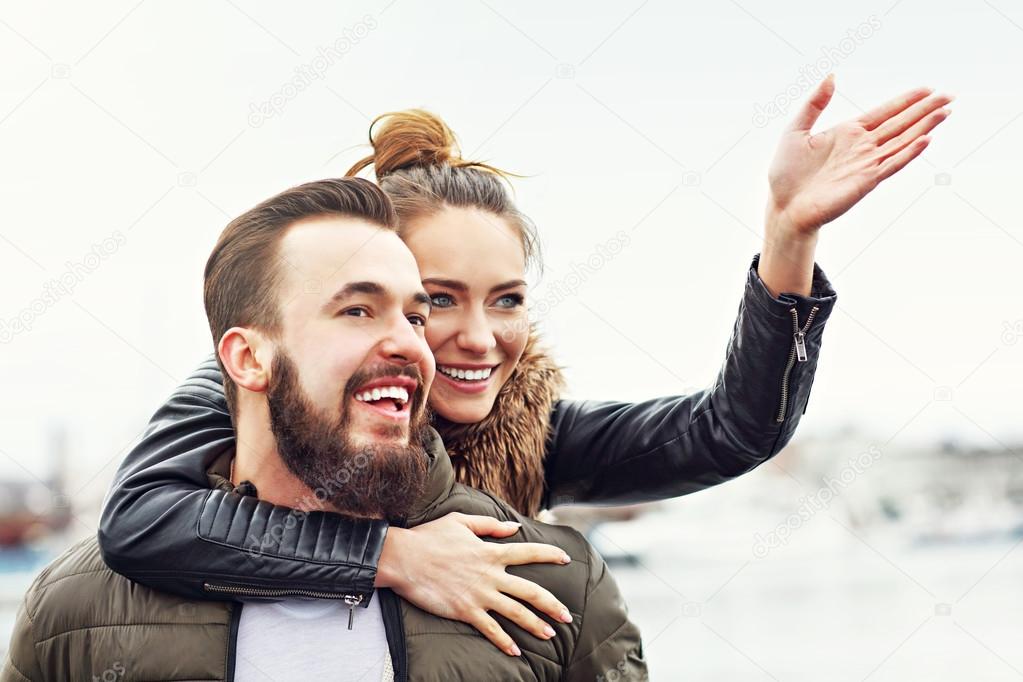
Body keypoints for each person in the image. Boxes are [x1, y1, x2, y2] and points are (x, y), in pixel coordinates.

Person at [97, 76, 951, 655]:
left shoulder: (529, 433)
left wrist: (787, 237)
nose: (478, 337)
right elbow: (141, 520)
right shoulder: (262, 392)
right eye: (436, 300)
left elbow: (729, 431)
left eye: (505, 299)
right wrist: (393, 557)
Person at [2, 178, 645, 682]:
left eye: (416, 316)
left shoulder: (548, 584)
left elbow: (719, 431)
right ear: (248, 359)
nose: (412, 344)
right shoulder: (77, 610)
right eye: (358, 310)